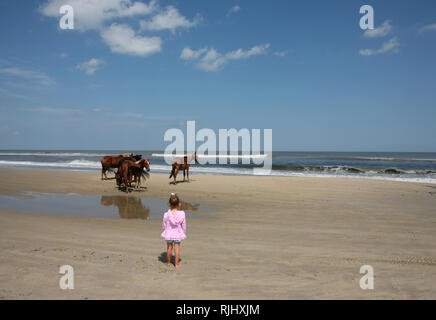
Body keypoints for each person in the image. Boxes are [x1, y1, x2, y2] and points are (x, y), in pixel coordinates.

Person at [161, 193, 186, 268]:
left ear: (169, 204)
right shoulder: (182, 214)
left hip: (169, 233)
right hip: (178, 233)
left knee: (169, 248)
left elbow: (164, 224)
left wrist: (165, 229)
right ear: (179, 204)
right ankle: (176, 264)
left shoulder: (166, 214)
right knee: (177, 248)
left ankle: (168, 263)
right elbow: (183, 224)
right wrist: (183, 232)